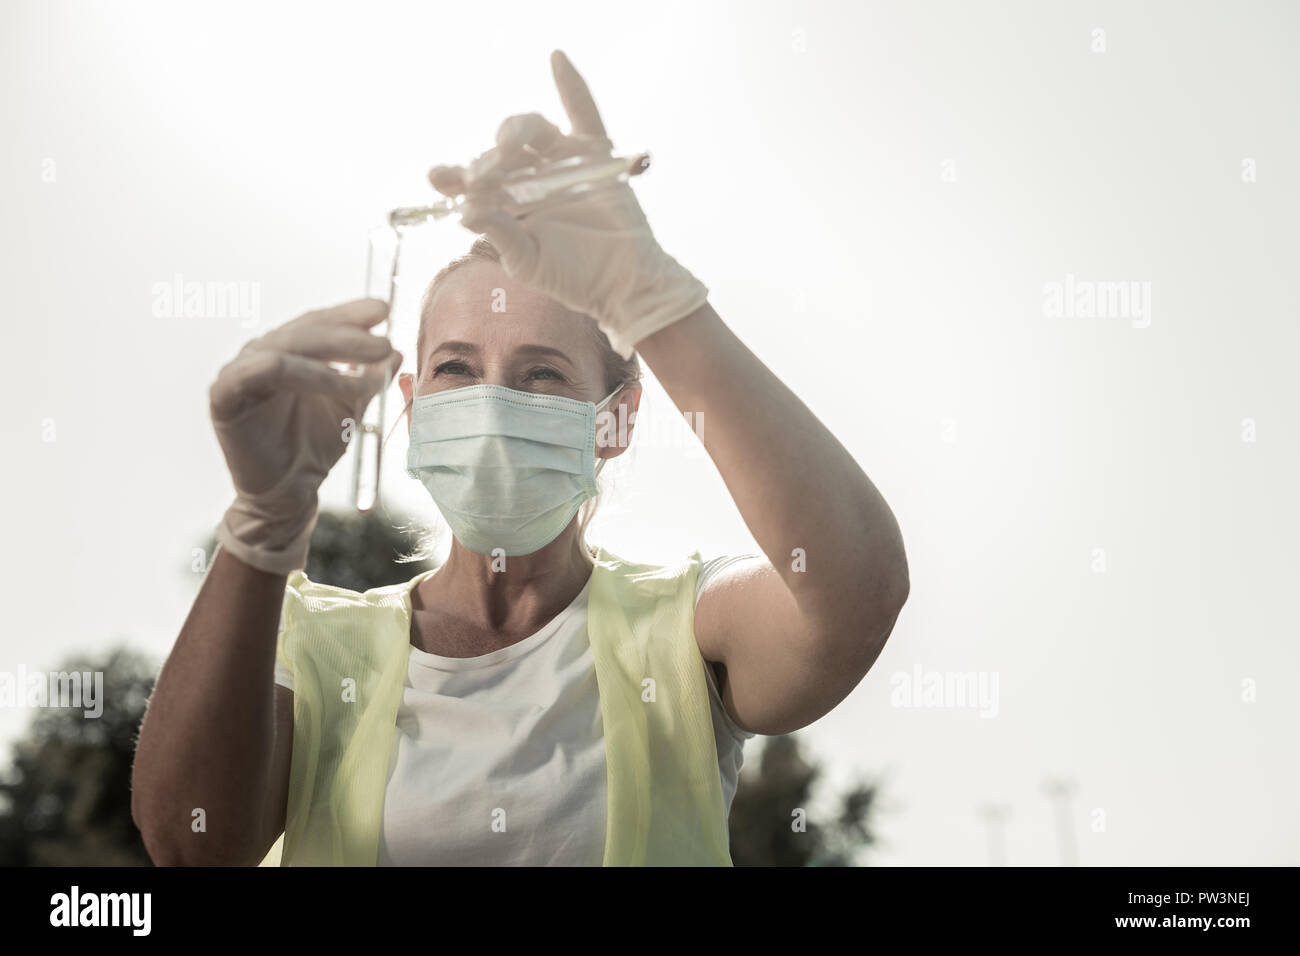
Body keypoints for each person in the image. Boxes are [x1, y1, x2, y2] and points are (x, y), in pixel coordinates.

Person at [130, 51, 909, 867]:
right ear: (410, 404)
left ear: (616, 420)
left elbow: (857, 595)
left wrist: (653, 298)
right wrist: (264, 522)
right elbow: (191, 845)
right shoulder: (313, 645)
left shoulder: (684, 629)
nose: (493, 404)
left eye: (542, 373)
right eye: (456, 369)